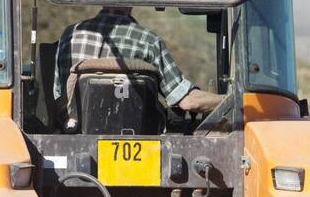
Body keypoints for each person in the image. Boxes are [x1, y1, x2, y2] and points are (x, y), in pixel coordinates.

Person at [53, 6, 219, 116]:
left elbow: (59, 95)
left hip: (75, 135)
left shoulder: (70, 34)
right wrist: (230, 100)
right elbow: (188, 102)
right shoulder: (148, 40)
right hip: (136, 137)